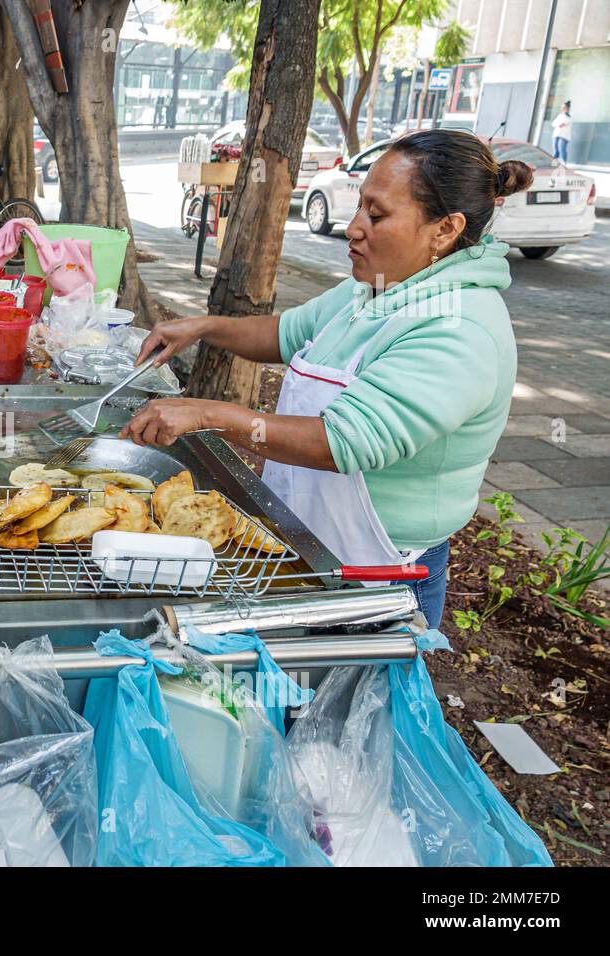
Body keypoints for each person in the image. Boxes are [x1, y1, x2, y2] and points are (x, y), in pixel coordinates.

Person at [121, 130, 534, 629]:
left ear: (444, 229)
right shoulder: (377, 287)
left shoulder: (459, 327)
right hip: (304, 543)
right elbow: (285, 333)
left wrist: (207, 415)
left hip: (378, 576)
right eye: (359, 207)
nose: (354, 229)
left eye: (376, 215)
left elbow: (343, 443)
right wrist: (204, 327)